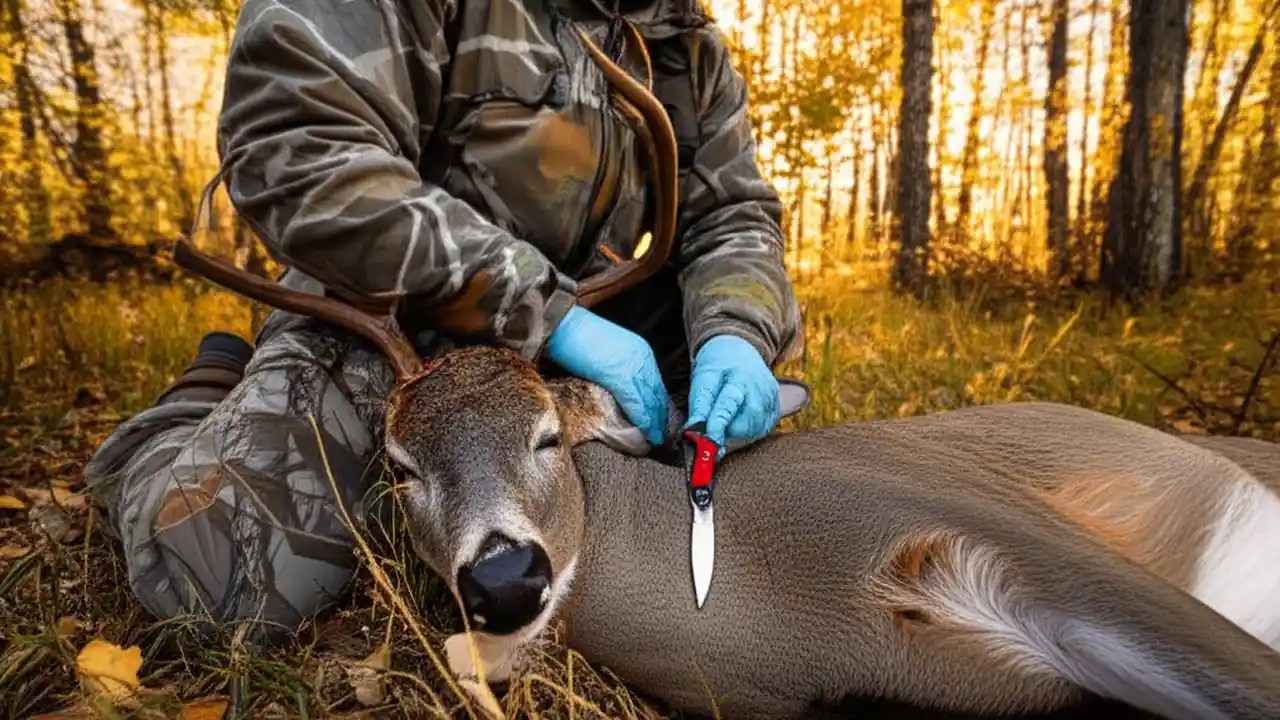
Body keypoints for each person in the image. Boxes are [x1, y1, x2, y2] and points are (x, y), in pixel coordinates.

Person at [84, 0, 801, 641]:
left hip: (592, 313)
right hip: (395, 320)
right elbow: (297, 150)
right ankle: (190, 406)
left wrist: (735, 333)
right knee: (220, 583)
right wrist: (544, 313)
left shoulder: (684, 38)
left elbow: (733, 216)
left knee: (738, 417)